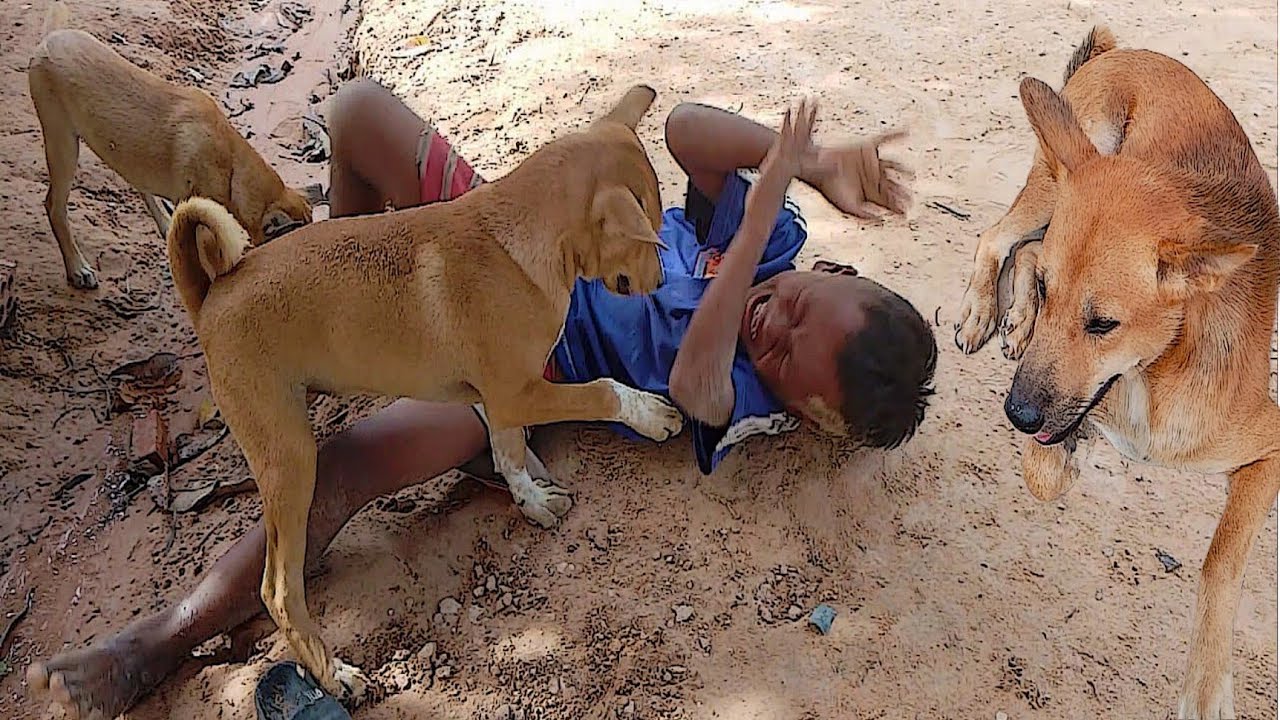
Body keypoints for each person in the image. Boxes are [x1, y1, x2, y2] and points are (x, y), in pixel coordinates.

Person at [26, 81, 937, 719]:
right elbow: (688, 128)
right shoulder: (770, 233)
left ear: (795, 409)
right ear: (829, 267)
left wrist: (748, 246)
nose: (767, 325)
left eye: (781, 358)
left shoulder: (736, 382)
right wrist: (803, 161)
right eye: (799, 306)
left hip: (519, 376)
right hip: (510, 243)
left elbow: (696, 378)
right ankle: (327, 288)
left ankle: (152, 643)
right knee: (357, 114)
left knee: (344, 468)